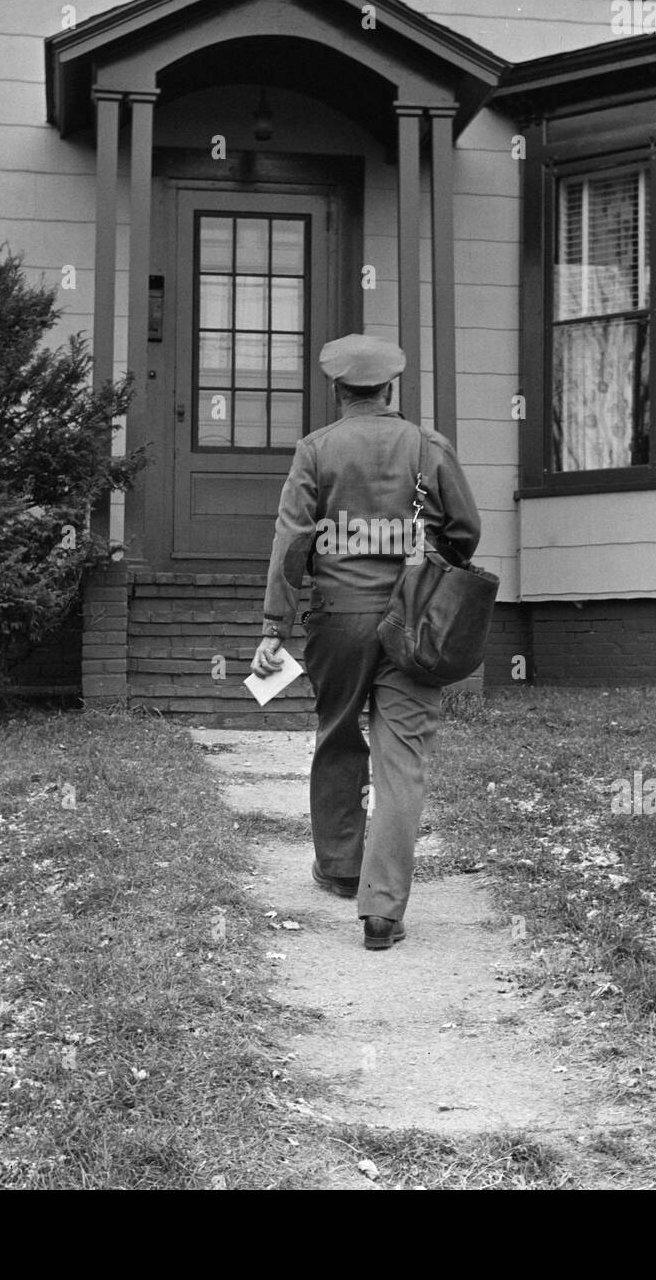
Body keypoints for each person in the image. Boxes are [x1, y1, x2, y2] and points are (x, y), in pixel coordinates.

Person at [251, 333, 481, 950]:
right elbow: (466, 527)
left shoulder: (315, 450)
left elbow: (292, 541)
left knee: (337, 732)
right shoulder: (427, 446)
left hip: (338, 620)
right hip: (416, 624)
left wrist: (275, 624)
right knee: (401, 760)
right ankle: (381, 910)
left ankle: (340, 864)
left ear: (337, 390)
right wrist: (431, 566)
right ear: (390, 388)